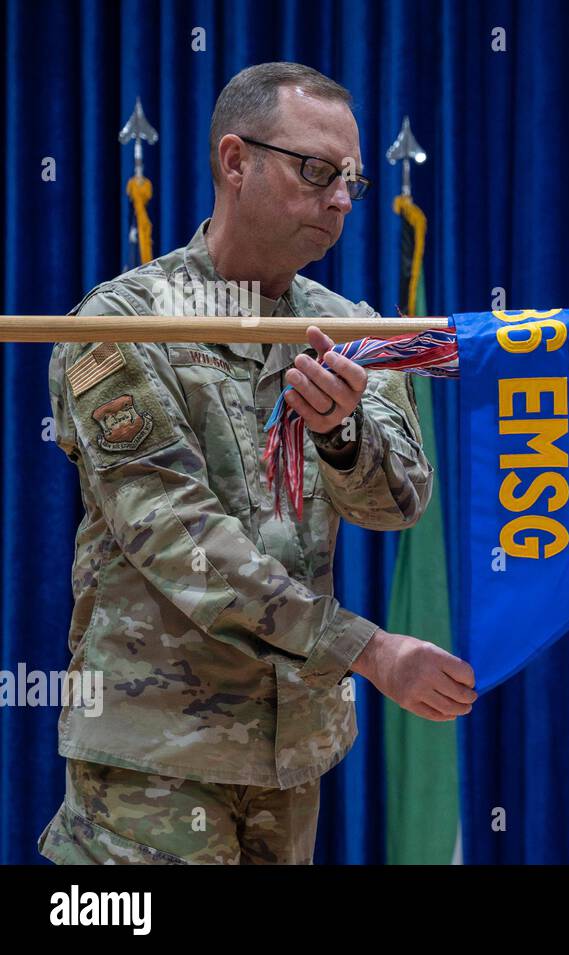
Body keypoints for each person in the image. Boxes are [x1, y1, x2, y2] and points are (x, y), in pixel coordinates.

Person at [38, 62, 475, 865]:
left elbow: (400, 501)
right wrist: (368, 649)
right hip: (154, 757)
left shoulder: (352, 327)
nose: (341, 199)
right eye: (317, 172)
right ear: (235, 161)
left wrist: (342, 434)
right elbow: (181, 539)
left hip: (291, 757)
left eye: (351, 179)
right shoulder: (122, 325)